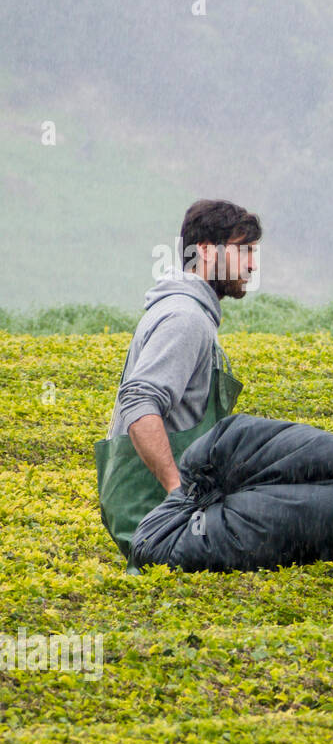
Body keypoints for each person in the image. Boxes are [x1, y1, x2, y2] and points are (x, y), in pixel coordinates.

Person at [96, 199, 260, 557]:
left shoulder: (191, 313)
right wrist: (176, 492)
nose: (252, 263)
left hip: (162, 510)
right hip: (155, 509)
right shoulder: (185, 318)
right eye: (243, 250)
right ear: (204, 251)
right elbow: (139, 402)